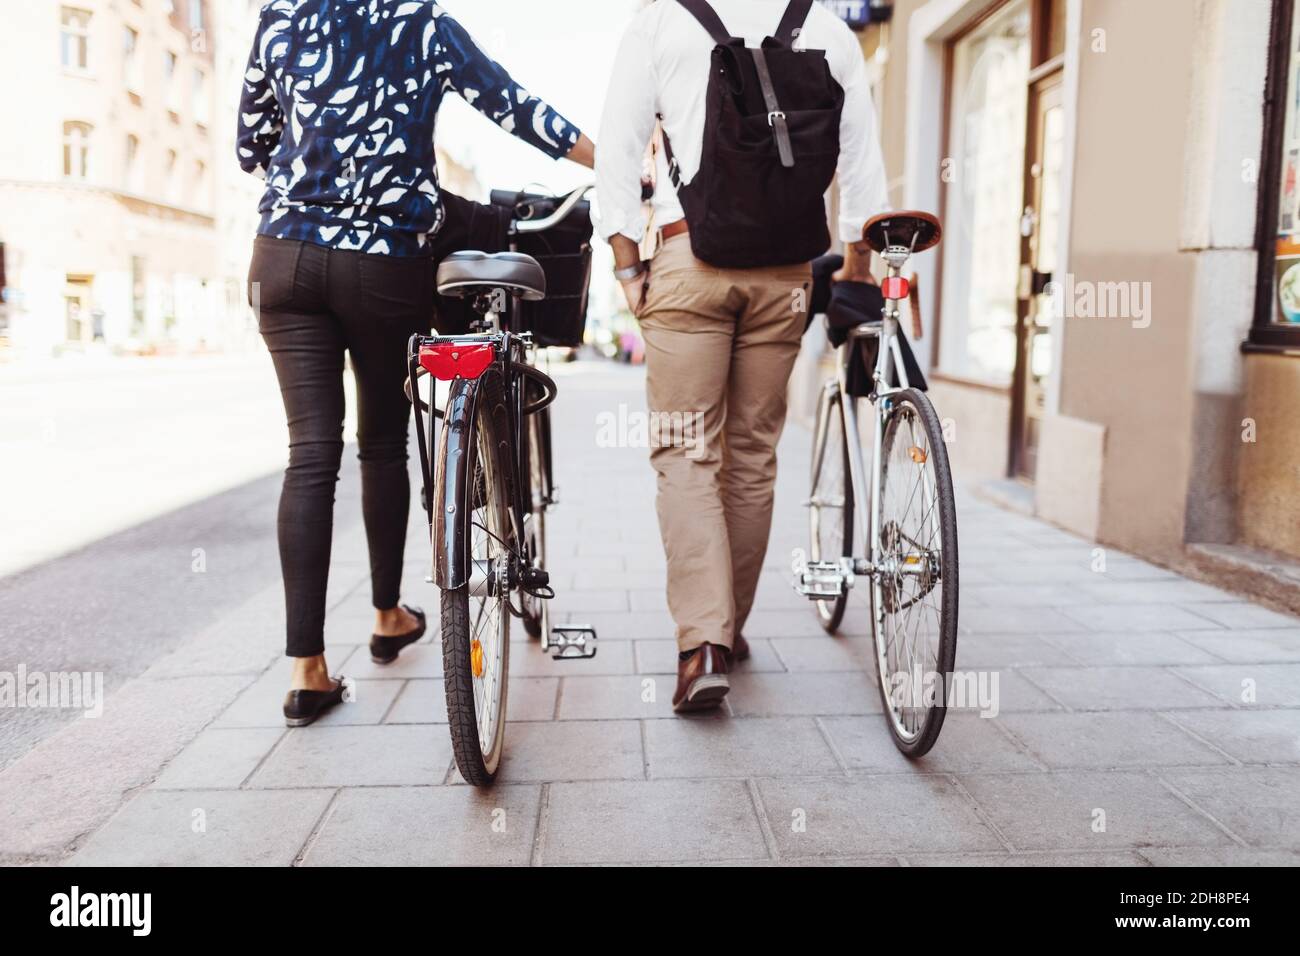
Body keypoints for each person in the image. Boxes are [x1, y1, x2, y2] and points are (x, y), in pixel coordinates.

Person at [237, 0, 595, 727]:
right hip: (382, 264)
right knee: (379, 444)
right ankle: (385, 615)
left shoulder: (281, 18)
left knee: (309, 455)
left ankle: (307, 670)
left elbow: (252, 147)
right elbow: (513, 106)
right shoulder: (422, 23)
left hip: (282, 259)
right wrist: (617, 160)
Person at [595, 0, 888, 712]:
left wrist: (627, 263)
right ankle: (729, 627)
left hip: (688, 260)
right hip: (786, 275)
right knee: (753, 452)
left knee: (688, 451)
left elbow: (617, 145)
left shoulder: (661, 21)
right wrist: (855, 268)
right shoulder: (827, 31)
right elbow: (862, 164)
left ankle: (703, 642)